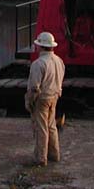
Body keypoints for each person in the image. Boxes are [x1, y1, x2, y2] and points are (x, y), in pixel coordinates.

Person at [25, 31, 65, 166]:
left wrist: (30, 101)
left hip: (42, 99)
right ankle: (54, 155)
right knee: (51, 126)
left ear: (41, 46)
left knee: (41, 128)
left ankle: (41, 159)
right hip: (54, 96)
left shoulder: (38, 64)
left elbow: (34, 87)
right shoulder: (59, 61)